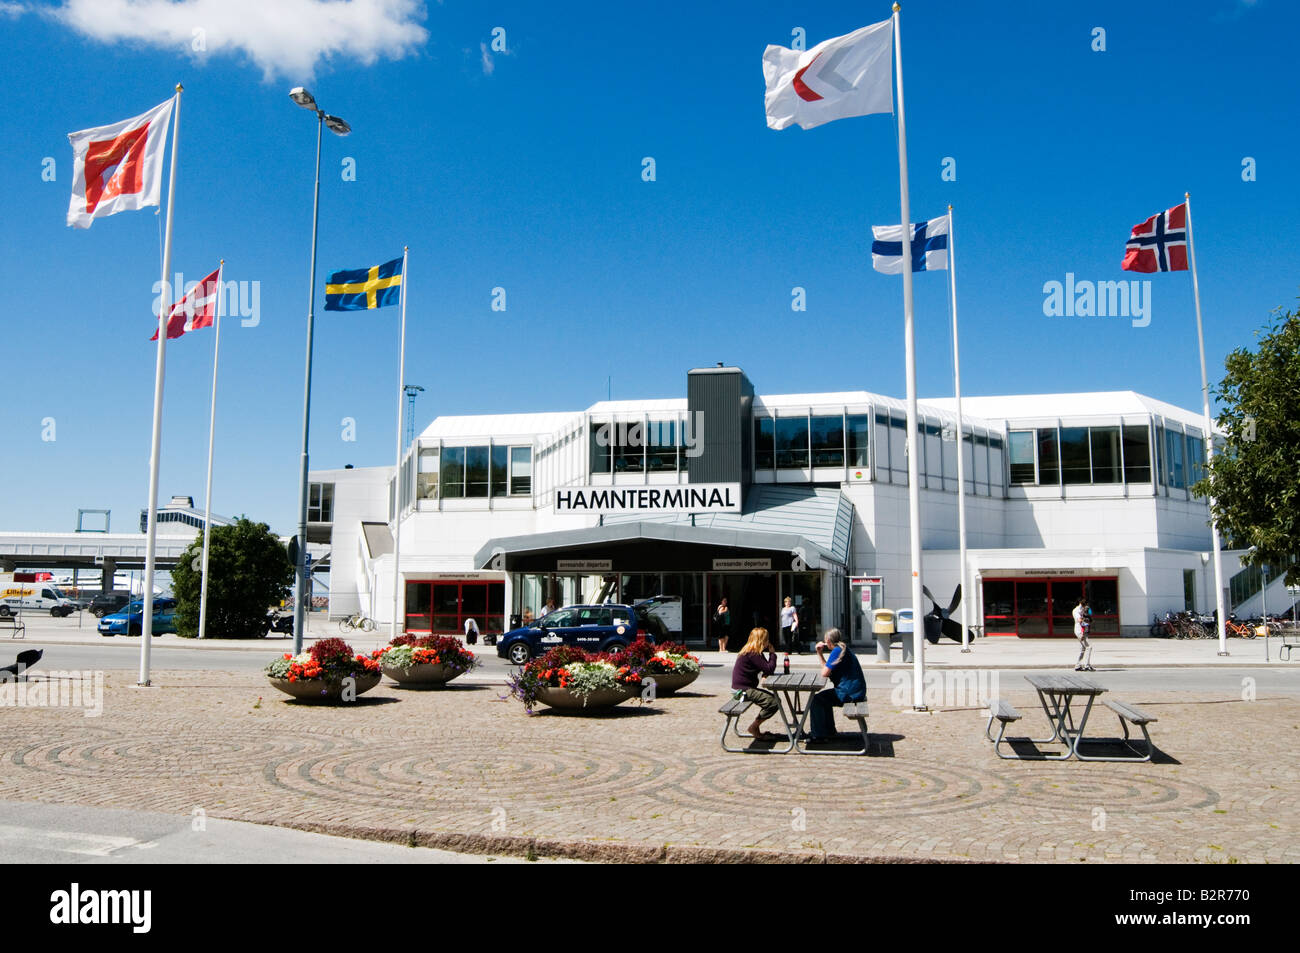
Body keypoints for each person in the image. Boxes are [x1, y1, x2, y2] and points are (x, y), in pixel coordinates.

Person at [808, 629, 866, 741]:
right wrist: (820, 653)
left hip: (849, 693)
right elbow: (827, 670)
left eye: (825, 641)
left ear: (828, 641)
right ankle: (828, 731)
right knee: (824, 699)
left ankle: (819, 735)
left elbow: (824, 673)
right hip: (856, 691)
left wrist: (819, 653)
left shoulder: (836, 651)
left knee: (817, 700)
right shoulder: (843, 649)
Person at [731, 627, 784, 740]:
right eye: (767, 639)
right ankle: (754, 727)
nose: (768, 642)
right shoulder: (753, 653)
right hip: (742, 691)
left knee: (774, 699)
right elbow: (769, 669)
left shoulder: (752, 651)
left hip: (744, 688)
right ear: (762, 641)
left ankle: (755, 727)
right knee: (773, 702)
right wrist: (772, 654)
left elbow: (766, 668)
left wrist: (765, 673)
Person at [1072, 596, 1094, 671]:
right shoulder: (1076, 610)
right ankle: (1087, 665)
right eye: (1086, 604)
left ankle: (1078, 665)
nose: (1087, 606)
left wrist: (1088, 617)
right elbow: (1080, 620)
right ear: (1081, 603)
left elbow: (1087, 617)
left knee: (1083, 648)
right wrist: (1086, 619)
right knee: (1089, 647)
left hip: (1083, 630)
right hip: (1080, 630)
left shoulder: (1083, 610)